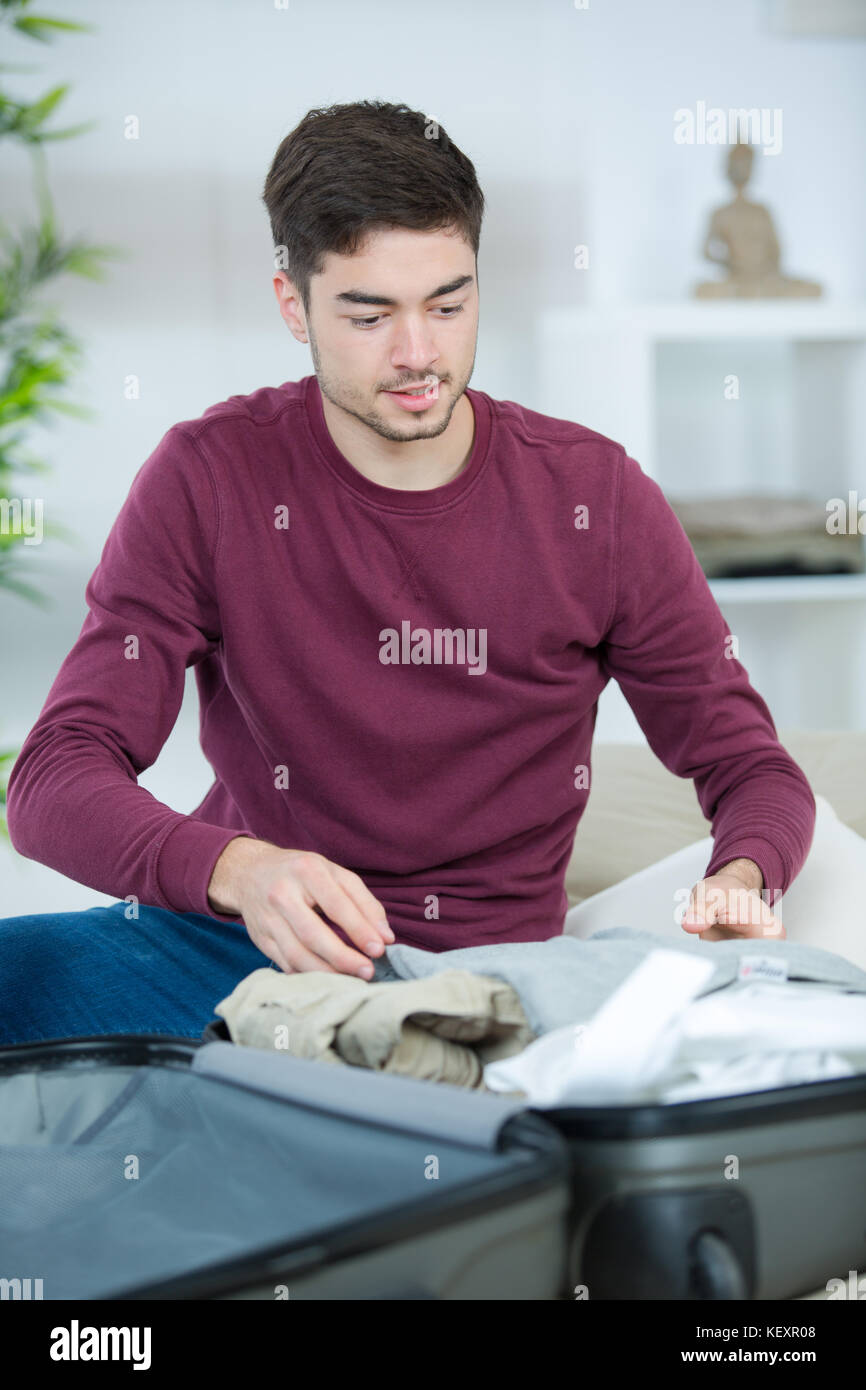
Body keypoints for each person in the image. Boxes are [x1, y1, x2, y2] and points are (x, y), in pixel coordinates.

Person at [1, 100, 815, 1046]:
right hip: (235, 954)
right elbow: (54, 778)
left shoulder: (597, 496)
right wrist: (242, 869)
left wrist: (743, 877)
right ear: (290, 304)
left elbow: (747, 764)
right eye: (369, 313)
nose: (419, 354)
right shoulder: (210, 476)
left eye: (448, 304)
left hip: (482, 983)